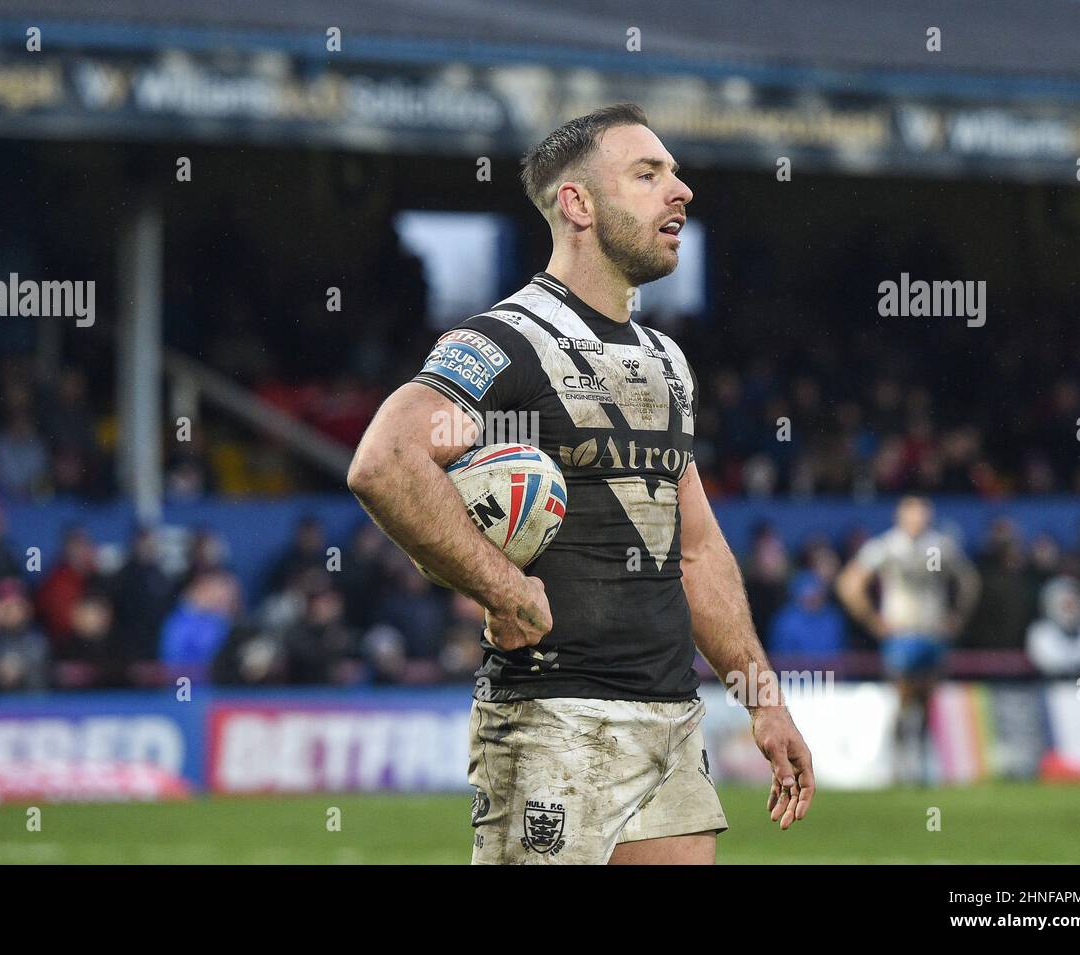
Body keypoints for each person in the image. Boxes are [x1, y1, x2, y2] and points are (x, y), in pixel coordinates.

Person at [348, 104, 814, 865]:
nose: (682, 191)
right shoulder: (502, 341)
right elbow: (386, 461)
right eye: (648, 174)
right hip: (552, 720)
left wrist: (764, 700)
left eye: (674, 172)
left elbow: (695, 551)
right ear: (578, 204)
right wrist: (501, 586)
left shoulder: (668, 361)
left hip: (670, 717)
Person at [836, 496, 981, 785]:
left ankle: (921, 765)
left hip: (931, 632)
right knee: (903, 697)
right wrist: (873, 621)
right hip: (901, 634)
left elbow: (969, 581)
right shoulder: (887, 546)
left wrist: (956, 619)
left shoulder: (940, 546)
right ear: (901, 517)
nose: (918, 520)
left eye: (922, 515)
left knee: (927, 700)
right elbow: (849, 583)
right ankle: (900, 765)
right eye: (912, 515)